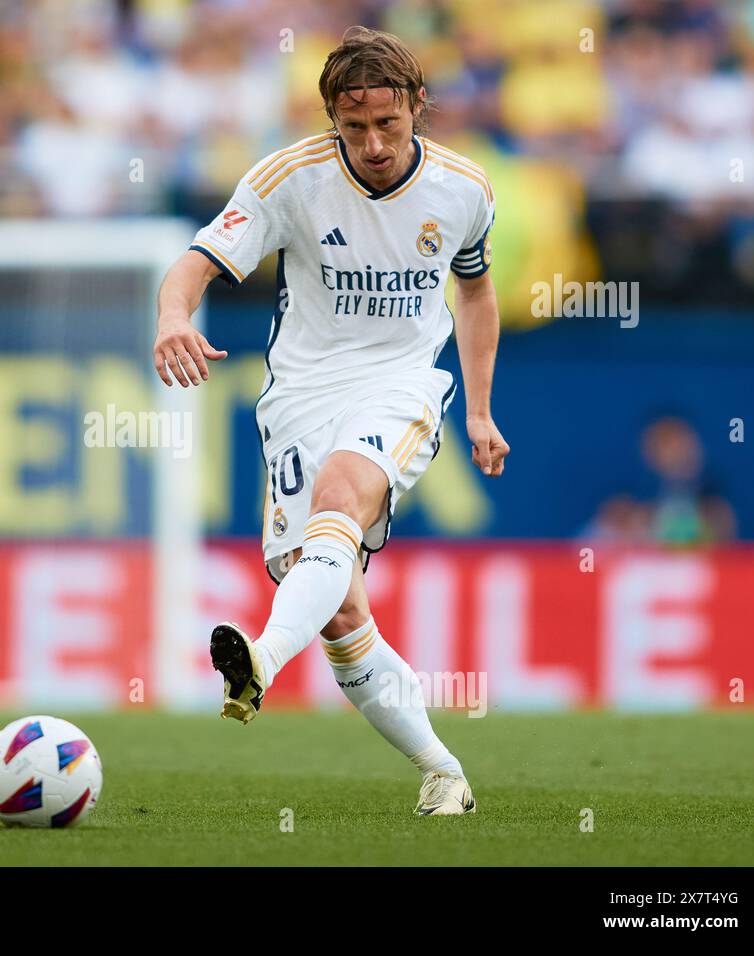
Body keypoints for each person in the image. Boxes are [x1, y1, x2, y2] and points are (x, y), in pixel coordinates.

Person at [152, 26, 509, 815]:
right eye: (355, 128)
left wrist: (478, 408)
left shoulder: (463, 189)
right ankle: (443, 770)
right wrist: (173, 316)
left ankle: (261, 659)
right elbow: (197, 260)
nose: (375, 144)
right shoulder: (289, 179)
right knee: (343, 612)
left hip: (402, 382)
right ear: (330, 120)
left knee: (342, 496)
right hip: (301, 396)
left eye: (389, 123)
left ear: (418, 106)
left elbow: (477, 290)